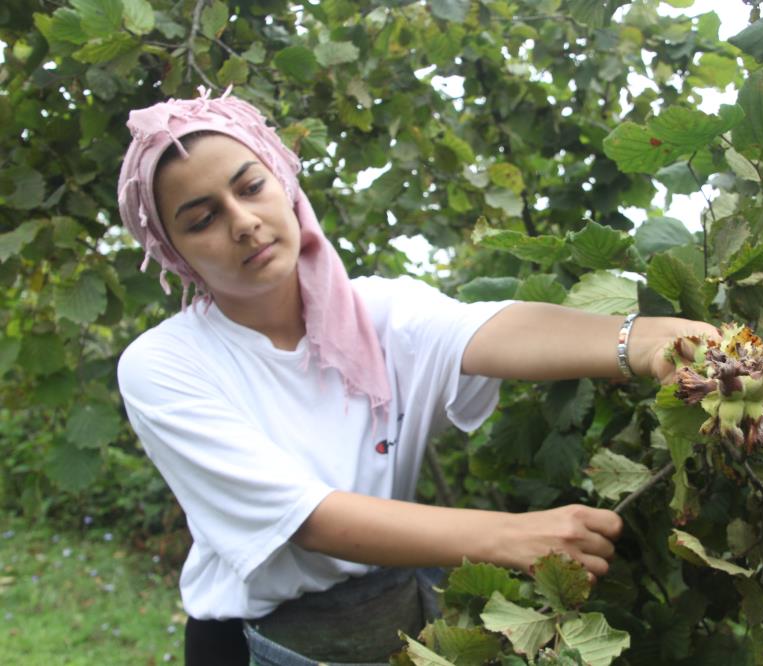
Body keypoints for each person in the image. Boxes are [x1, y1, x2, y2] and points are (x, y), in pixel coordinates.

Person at [115, 87, 718, 665]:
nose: (243, 222)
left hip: (392, 623)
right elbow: (310, 520)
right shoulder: (166, 365)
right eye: (201, 220)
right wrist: (512, 538)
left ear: (285, 184)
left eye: (252, 187)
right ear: (175, 253)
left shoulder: (376, 310)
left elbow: (485, 331)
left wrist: (644, 342)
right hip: (255, 644)